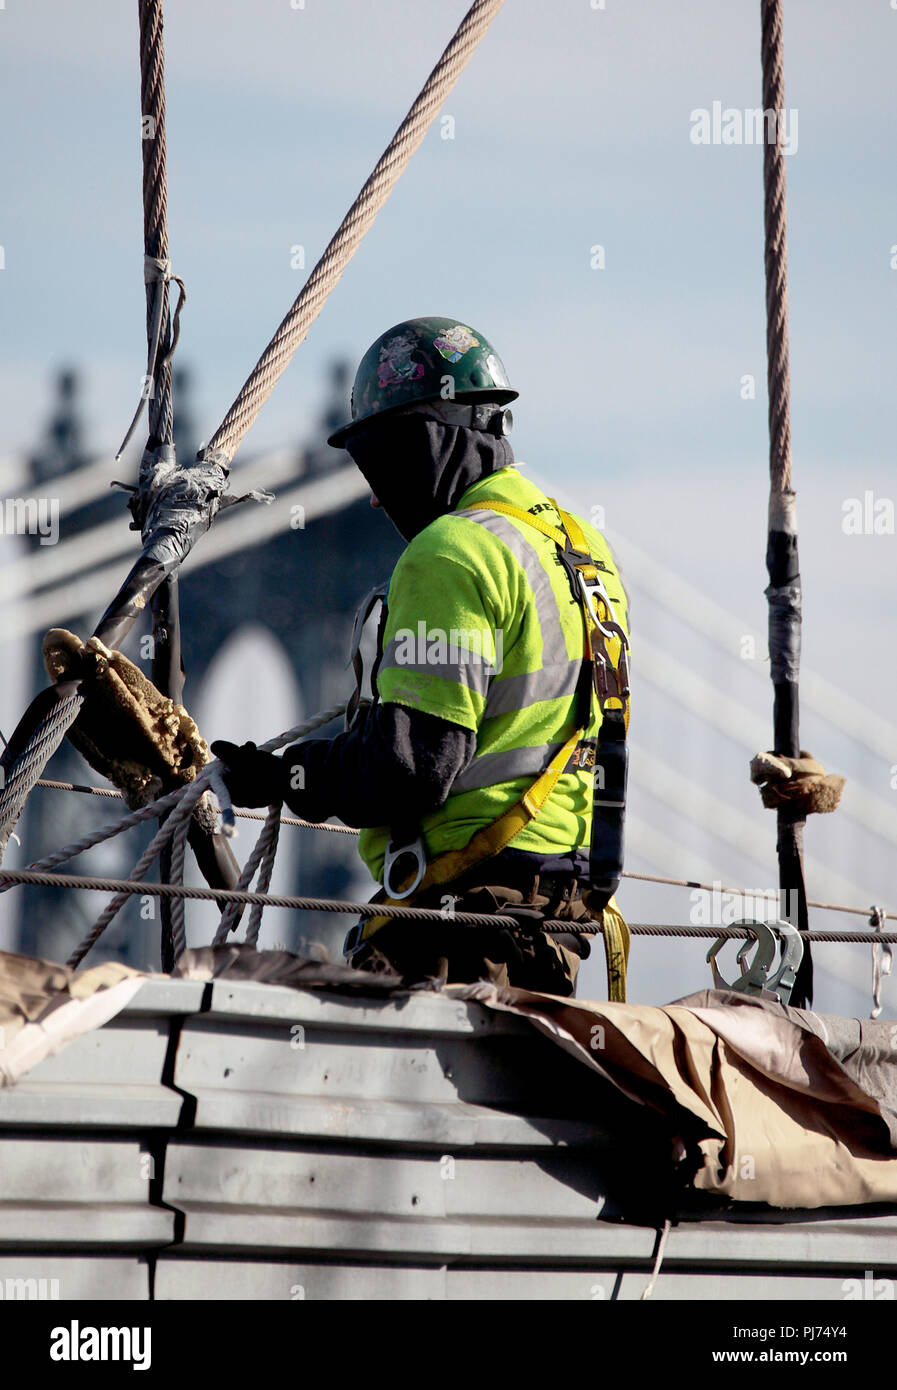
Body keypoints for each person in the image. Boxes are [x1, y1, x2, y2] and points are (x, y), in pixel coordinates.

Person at [213, 316, 631, 998]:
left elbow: (408, 767)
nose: (375, 496)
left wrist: (281, 777)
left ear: (421, 441)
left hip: (459, 927)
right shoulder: (582, 550)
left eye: (378, 466)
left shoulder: (451, 551)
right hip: (556, 925)